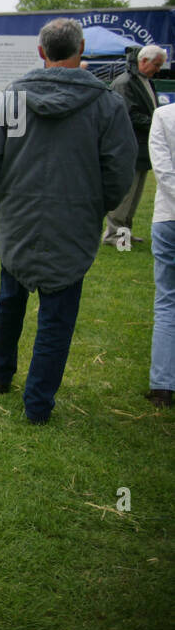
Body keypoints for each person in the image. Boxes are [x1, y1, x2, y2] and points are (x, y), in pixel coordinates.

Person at [0, 18, 136, 425]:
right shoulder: (106, 104)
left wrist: (6, 201)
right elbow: (119, 172)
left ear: (41, 52)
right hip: (72, 219)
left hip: (21, 217)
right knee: (57, 315)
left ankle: (1, 371)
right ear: (82, 48)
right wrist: (94, 206)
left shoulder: (17, 98)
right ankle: (37, 402)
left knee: (11, 297)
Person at [103, 45, 169, 246]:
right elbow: (129, 115)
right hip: (128, 147)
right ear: (143, 61)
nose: (158, 69)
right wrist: (158, 123)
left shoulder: (144, 81)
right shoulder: (126, 83)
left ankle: (125, 235)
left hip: (141, 146)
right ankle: (115, 236)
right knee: (125, 197)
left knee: (134, 197)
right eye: (156, 65)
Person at [147, 103, 175, 408]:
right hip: (168, 215)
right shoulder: (162, 115)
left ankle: (163, 384)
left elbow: (164, 171)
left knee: (167, 300)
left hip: (168, 214)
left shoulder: (165, 116)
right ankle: (163, 382)